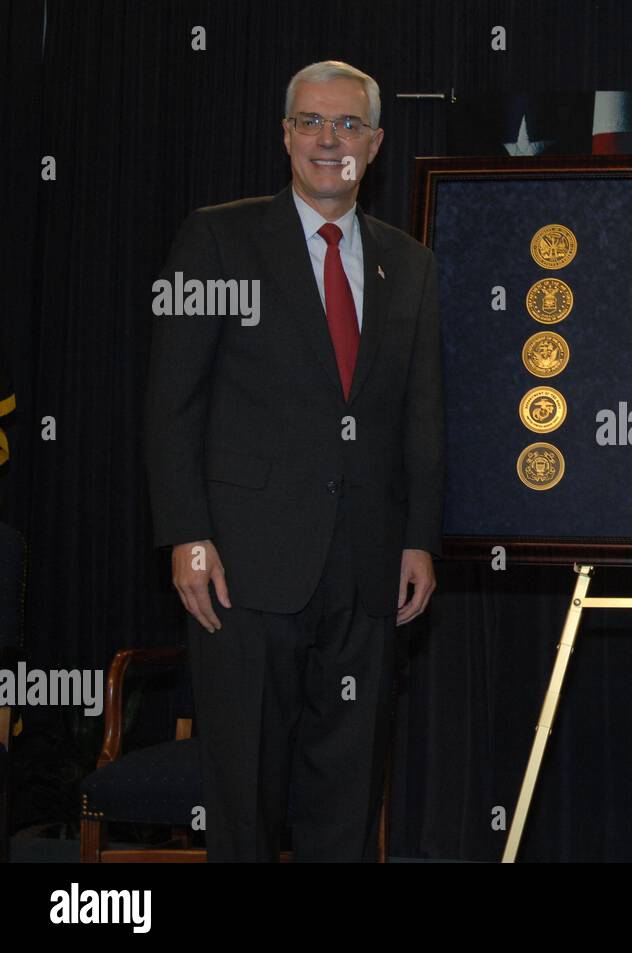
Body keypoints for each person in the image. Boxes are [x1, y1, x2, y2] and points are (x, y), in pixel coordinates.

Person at [145, 60, 444, 861]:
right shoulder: (216, 237)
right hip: (243, 568)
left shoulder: (409, 262)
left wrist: (419, 538)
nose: (328, 139)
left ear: (375, 144)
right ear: (284, 135)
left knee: (346, 797)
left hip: (370, 570)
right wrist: (187, 535)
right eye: (311, 121)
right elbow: (172, 405)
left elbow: (422, 415)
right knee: (242, 795)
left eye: (347, 125)